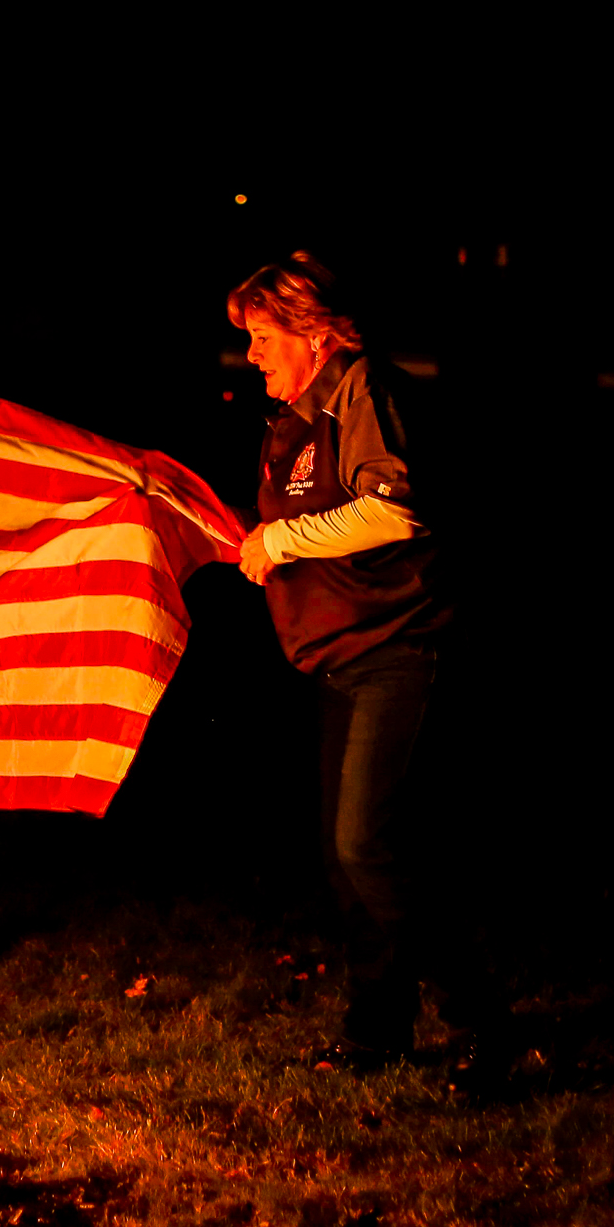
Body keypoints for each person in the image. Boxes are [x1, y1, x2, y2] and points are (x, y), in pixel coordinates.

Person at [228, 251, 507, 1092]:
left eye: (263, 336)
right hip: (339, 654)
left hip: (399, 646)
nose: (252, 355)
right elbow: (307, 518)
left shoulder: (361, 392)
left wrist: (276, 542)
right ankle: (377, 1026)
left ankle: (478, 1023)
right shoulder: (291, 418)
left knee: (368, 843)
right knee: (341, 854)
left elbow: (392, 505)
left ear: (313, 333)